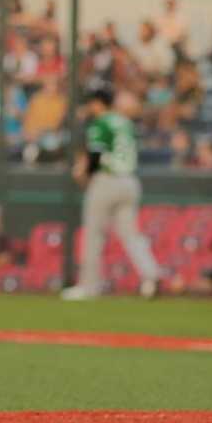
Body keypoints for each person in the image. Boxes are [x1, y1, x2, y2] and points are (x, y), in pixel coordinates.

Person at [62, 87, 161, 300]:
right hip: (130, 181)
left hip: (107, 180)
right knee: (131, 234)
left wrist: (84, 174)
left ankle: (89, 286)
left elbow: (97, 154)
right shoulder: (124, 121)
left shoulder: (101, 122)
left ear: (98, 103)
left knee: (93, 234)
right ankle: (151, 274)